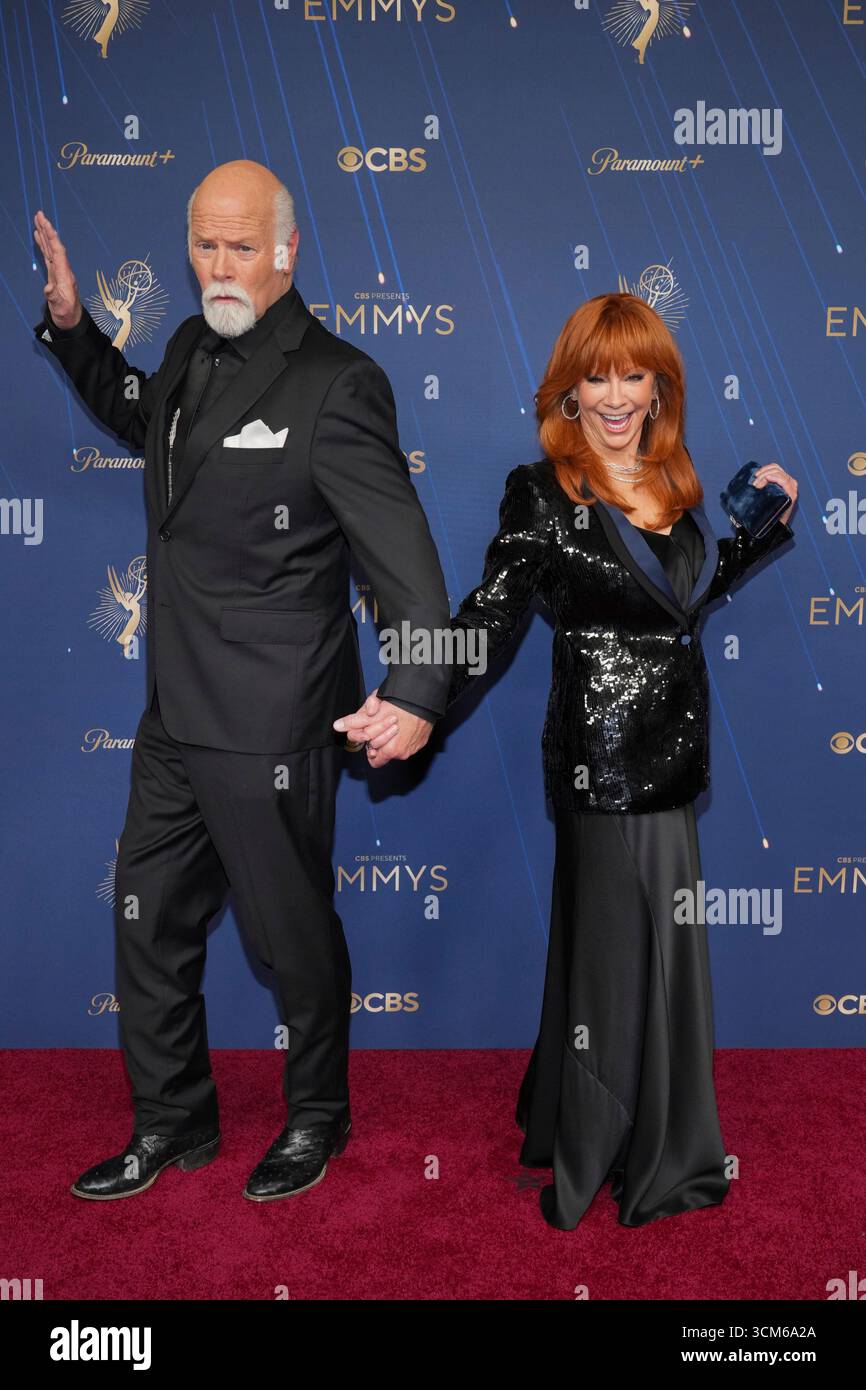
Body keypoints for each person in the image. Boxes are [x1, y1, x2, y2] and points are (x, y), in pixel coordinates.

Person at [32, 160, 449, 1202]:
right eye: (205, 245)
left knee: (289, 934)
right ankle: (173, 1121)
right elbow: (148, 423)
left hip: (274, 722)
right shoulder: (183, 346)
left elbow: (405, 558)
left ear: (286, 251)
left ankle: (317, 1113)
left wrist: (420, 690)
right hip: (173, 715)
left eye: (241, 246)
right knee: (146, 919)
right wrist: (77, 330)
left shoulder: (336, 382)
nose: (221, 265)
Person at [335, 292, 798, 1230]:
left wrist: (757, 513)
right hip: (602, 773)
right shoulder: (543, 493)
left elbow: (687, 595)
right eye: (599, 376)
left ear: (661, 389)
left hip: (672, 769)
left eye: (636, 375)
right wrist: (415, 692)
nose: (618, 395)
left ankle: (591, 1123)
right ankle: (610, 1152)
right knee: (616, 967)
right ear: (569, 390)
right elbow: (492, 614)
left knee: (644, 962)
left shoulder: (682, 488)